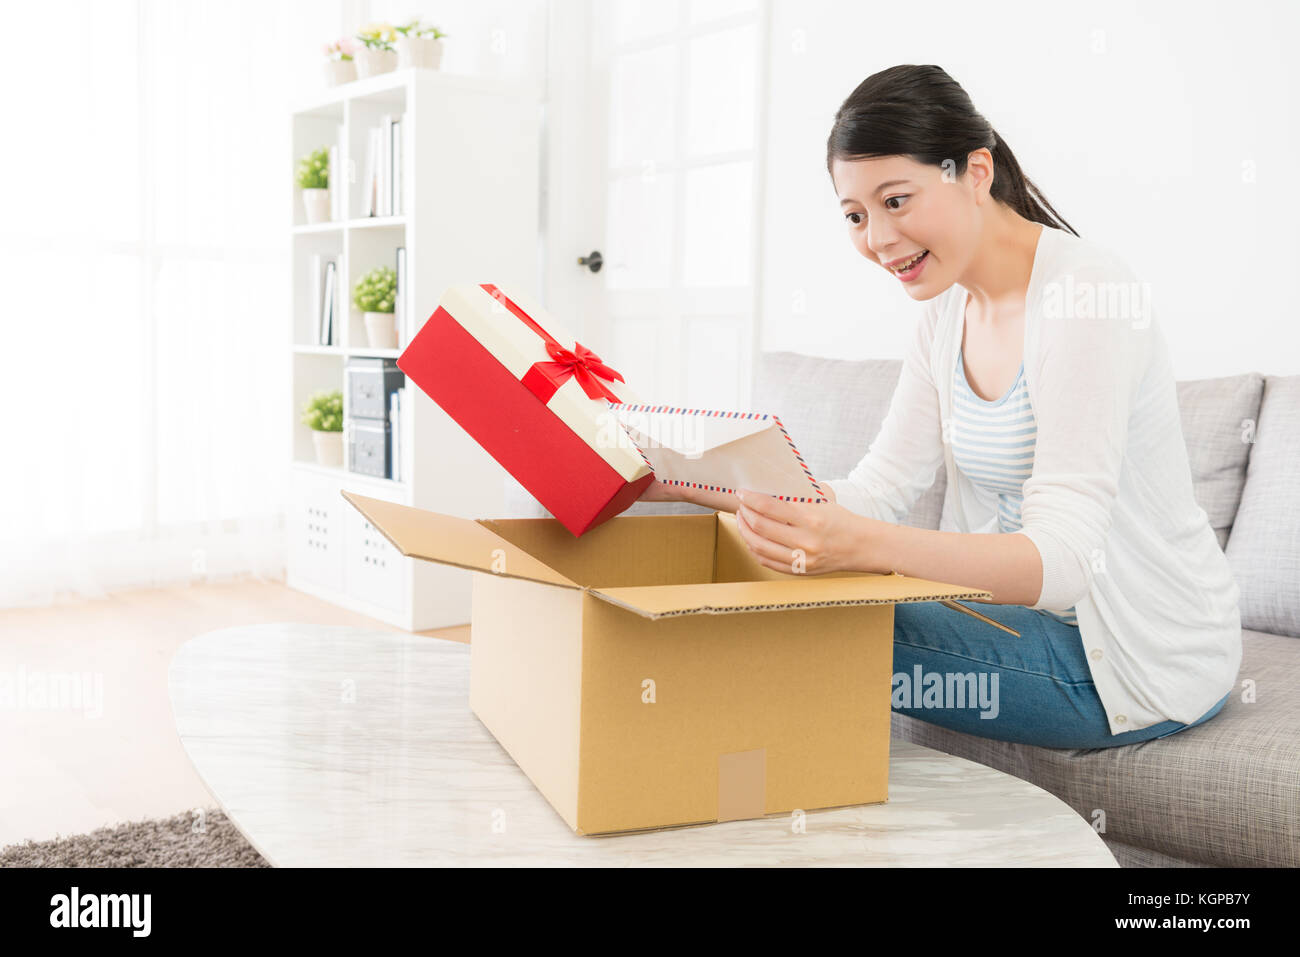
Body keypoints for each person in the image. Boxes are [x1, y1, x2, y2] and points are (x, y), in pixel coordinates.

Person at [639, 64, 1238, 749]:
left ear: (975, 172)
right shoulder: (945, 311)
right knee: (764, 578)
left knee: (798, 614)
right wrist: (675, 478)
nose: (878, 239)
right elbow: (877, 490)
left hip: (1135, 659)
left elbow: (1064, 559)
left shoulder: (1085, 297)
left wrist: (857, 547)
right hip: (1023, 622)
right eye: (856, 216)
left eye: (897, 200)